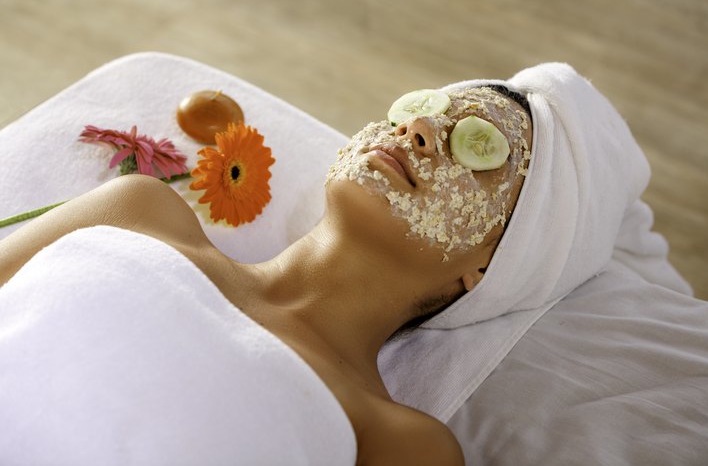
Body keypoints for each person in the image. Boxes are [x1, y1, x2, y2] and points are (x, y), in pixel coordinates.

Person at [0, 85, 532, 465]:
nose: (418, 127)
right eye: (425, 108)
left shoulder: (399, 442)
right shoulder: (137, 209)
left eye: (477, 147)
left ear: (485, 266)